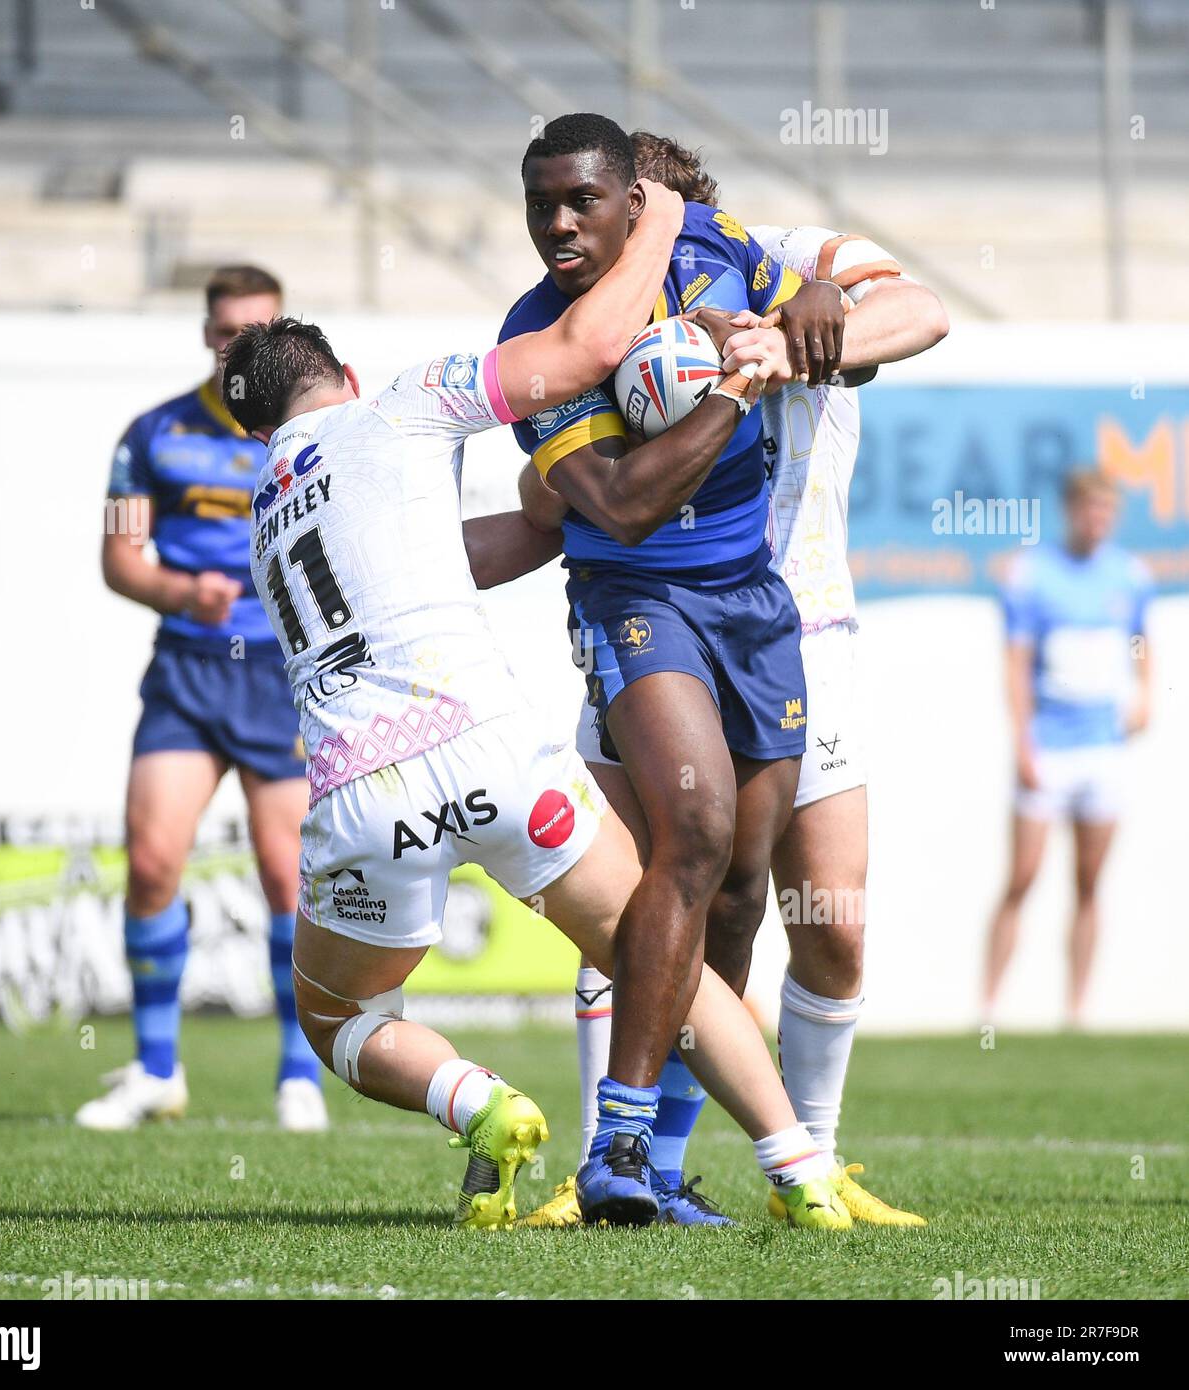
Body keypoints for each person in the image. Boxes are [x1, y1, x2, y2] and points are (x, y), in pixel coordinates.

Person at [224, 192, 851, 1230]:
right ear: (342, 377)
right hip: (492, 750)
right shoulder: (402, 402)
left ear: (258, 429)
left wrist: (553, 508)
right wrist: (659, 216)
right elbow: (587, 341)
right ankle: (800, 1170)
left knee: (339, 1015)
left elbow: (449, 555)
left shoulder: (265, 512)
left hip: (359, 788)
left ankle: (481, 1105)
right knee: (664, 951)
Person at [477, 130, 948, 1227]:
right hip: (637, 605)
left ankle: (778, 1165)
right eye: (546, 206)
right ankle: (617, 1148)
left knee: (766, 899)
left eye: (593, 206)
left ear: (659, 206)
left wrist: (804, 316)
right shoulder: (547, 330)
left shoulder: (743, 251)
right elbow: (592, 506)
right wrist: (732, 385)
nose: (564, 228)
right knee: (669, 857)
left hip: (782, 613)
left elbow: (911, 313)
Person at [77, 266, 326, 1133]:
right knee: (149, 864)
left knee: (285, 877)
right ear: (207, 335)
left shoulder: (314, 430)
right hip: (185, 671)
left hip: (278, 677)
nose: (239, 346)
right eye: (226, 333)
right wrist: (185, 594)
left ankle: (301, 1074)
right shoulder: (149, 434)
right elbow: (120, 557)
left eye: (256, 330)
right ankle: (155, 1071)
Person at [983, 469, 1152, 1025]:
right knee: (1022, 878)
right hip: (1049, 749)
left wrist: (1144, 694)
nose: (1098, 520)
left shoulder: (1129, 576)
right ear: (1072, 510)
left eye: (1108, 511)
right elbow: (1016, 664)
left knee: (1088, 883)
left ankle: (1077, 1012)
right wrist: (1023, 743)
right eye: (1090, 509)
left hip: (1102, 750)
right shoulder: (1033, 576)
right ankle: (987, 1009)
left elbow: (1142, 642)